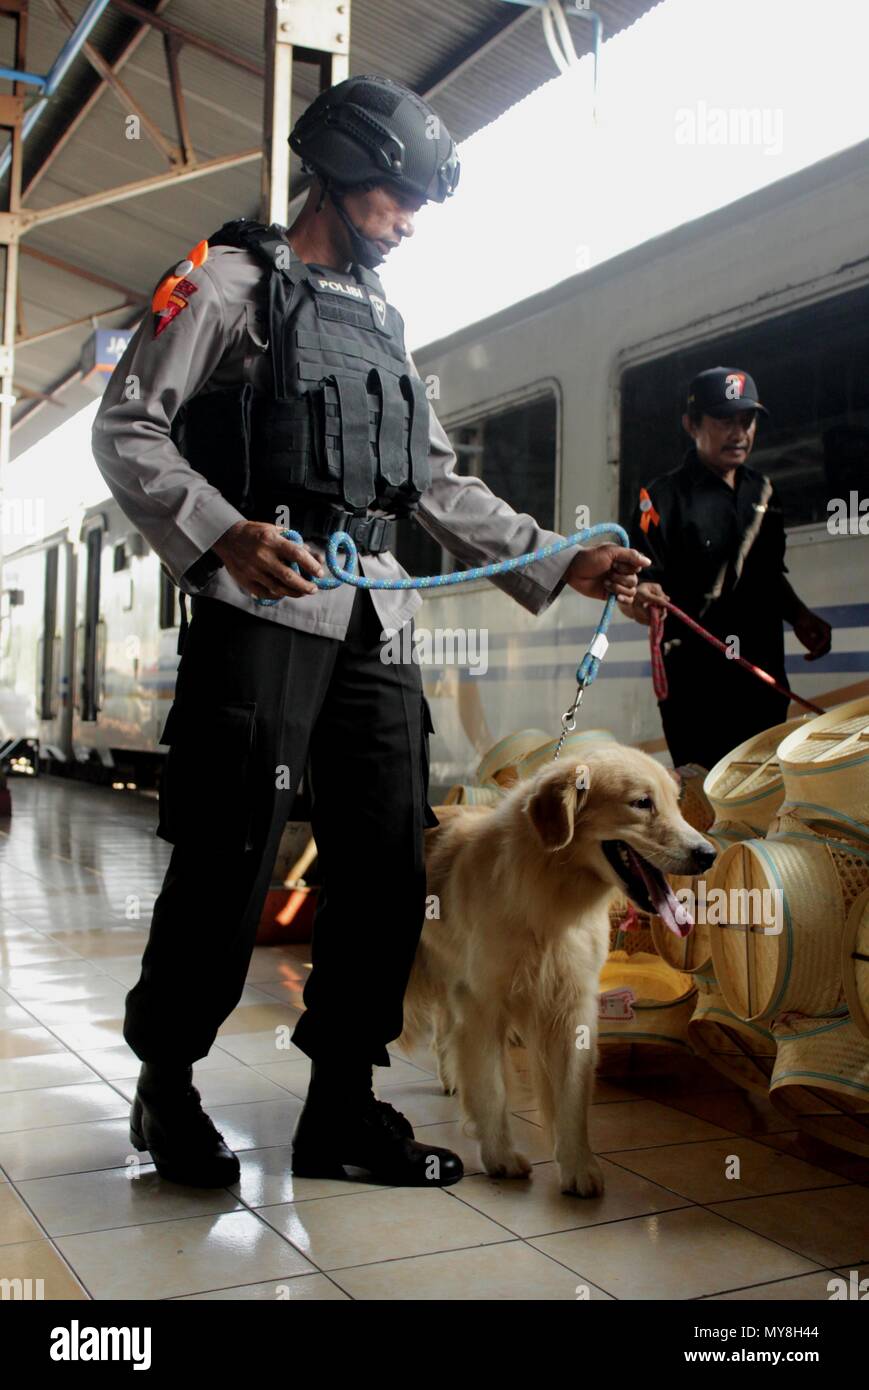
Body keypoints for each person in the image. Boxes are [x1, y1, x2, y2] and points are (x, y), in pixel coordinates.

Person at [92, 73, 648, 1190]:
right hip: (261, 601)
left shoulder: (385, 326)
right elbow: (127, 427)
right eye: (395, 194)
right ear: (338, 176)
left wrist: (562, 557)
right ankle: (167, 1087)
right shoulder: (224, 284)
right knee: (229, 860)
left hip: (373, 618)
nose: (406, 217)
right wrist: (222, 533)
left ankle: (340, 1108)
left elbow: (435, 483)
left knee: (391, 869)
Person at [626, 366, 832, 771]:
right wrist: (641, 597)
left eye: (747, 421)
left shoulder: (765, 491)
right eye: (724, 422)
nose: (739, 434)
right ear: (691, 424)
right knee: (706, 792)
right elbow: (639, 585)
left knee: (765, 784)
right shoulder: (661, 499)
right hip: (696, 685)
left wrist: (801, 616)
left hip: (762, 672)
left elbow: (769, 574)